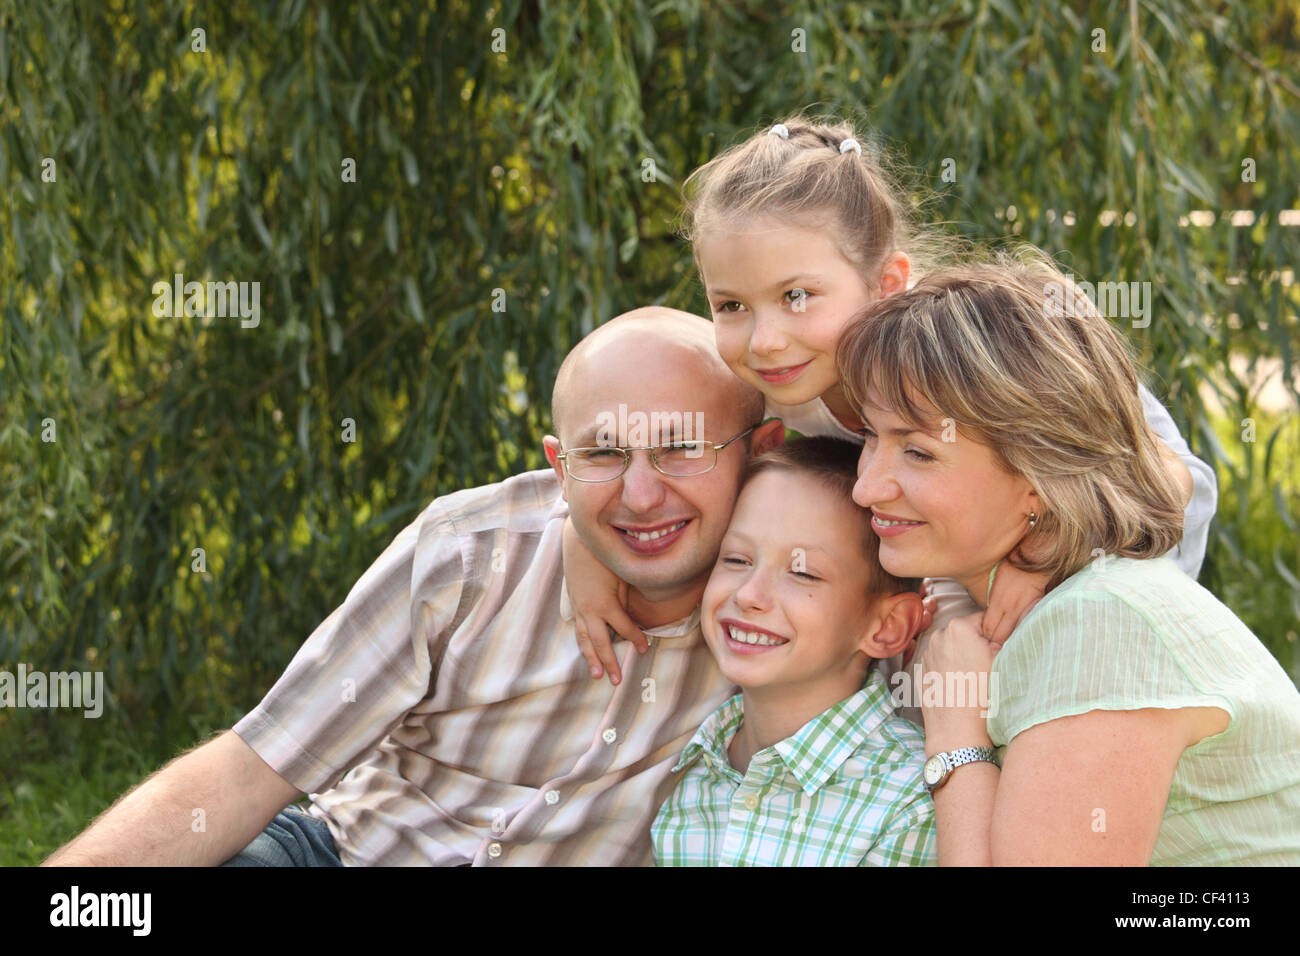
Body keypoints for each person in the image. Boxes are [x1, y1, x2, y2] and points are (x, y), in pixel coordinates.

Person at [43, 307, 785, 867]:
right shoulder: (470, 554)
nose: (641, 495)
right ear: (559, 465)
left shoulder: (800, 604)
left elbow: (876, 374)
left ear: (762, 454)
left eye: (683, 448)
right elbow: (251, 768)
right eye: (603, 454)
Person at [566, 113, 1216, 686]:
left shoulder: (966, 360)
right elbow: (646, 409)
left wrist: (1043, 550)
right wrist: (584, 544)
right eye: (731, 305)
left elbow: (1164, 479)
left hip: (1110, 537)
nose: (764, 341)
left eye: (797, 296)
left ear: (887, 283)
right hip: (948, 552)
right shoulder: (772, 379)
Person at [840, 251, 1300, 865]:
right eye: (872, 436)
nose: (866, 488)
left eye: (918, 453)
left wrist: (954, 734)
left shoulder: (1098, 623)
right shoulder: (1049, 605)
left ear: (1038, 476)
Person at [651, 437, 935, 866]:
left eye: (802, 573)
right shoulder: (690, 773)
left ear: (886, 627)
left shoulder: (910, 798)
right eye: (736, 559)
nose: (749, 595)